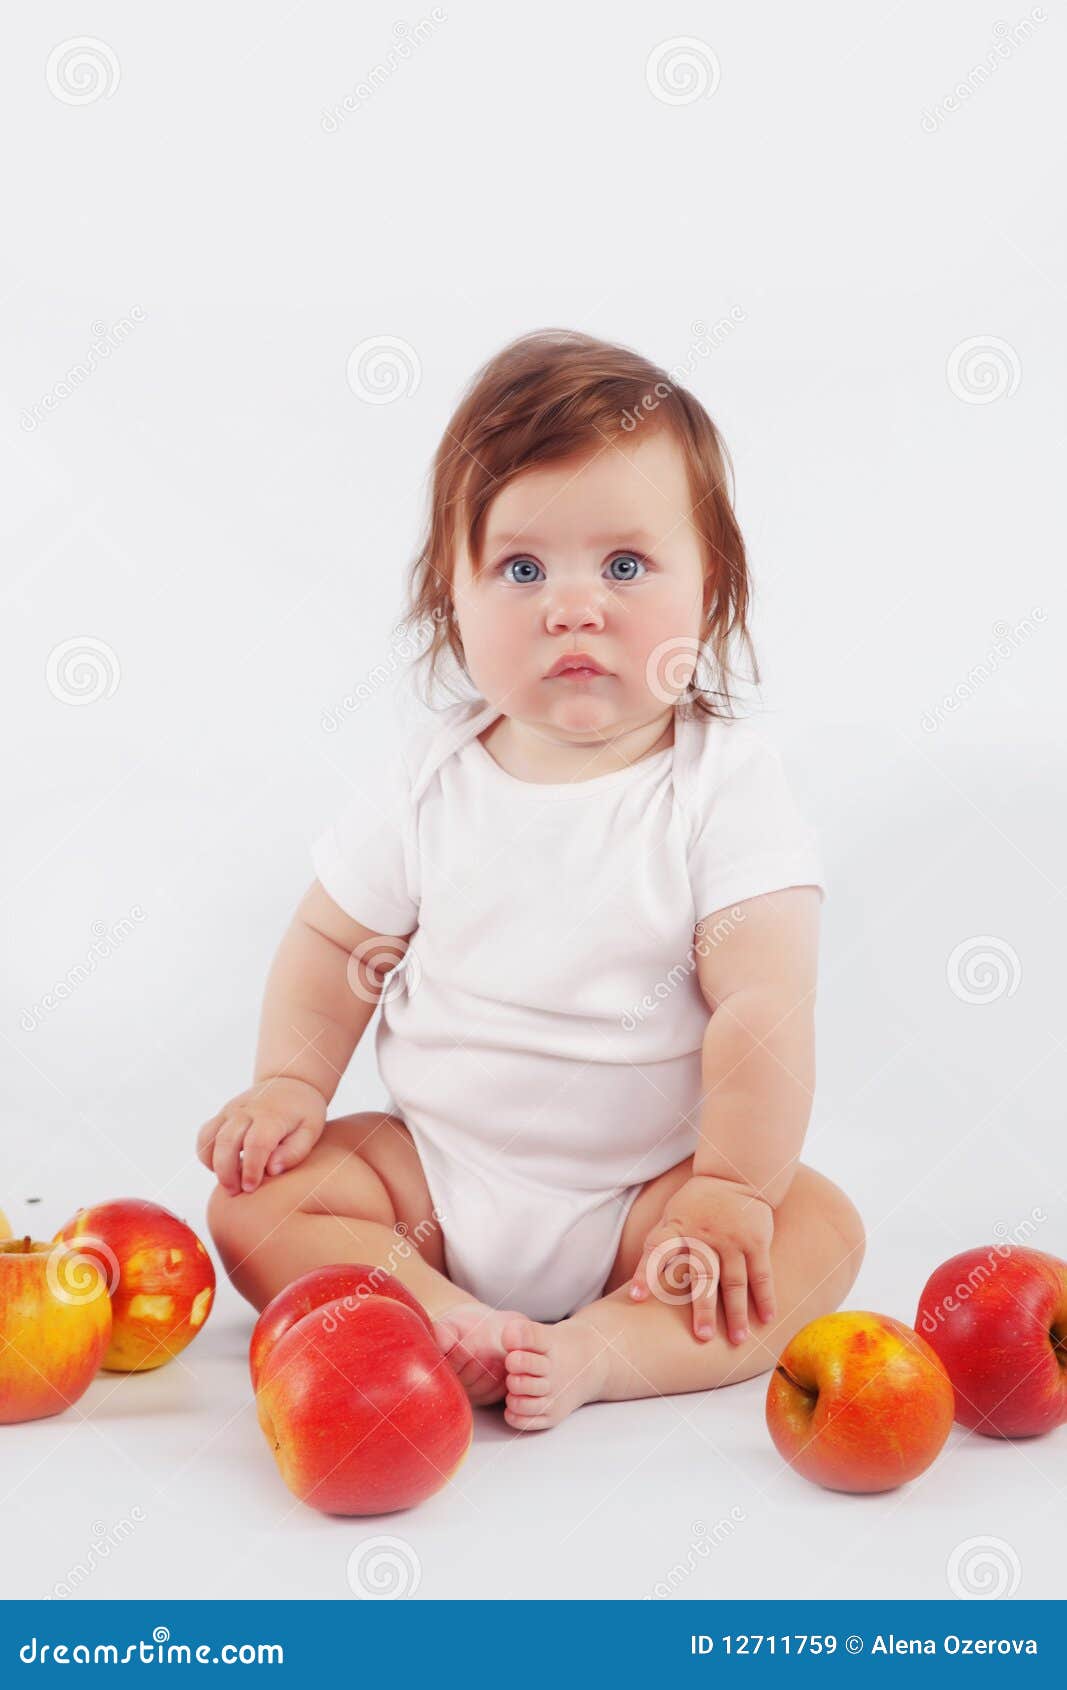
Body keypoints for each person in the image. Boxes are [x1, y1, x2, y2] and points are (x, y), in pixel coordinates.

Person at [201, 327, 865, 1432]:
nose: (571, 605)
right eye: (520, 568)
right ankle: (438, 1310)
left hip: (645, 1200)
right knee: (255, 1203)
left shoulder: (722, 787)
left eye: (622, 565)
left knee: (817, 1231)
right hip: (435, 1183)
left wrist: (730, 1189)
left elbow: (759, 1006)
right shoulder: (432, 776)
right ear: (448, 597)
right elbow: (331, 947)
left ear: (712, 587)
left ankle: (605, 1345)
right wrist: (290, 1088)